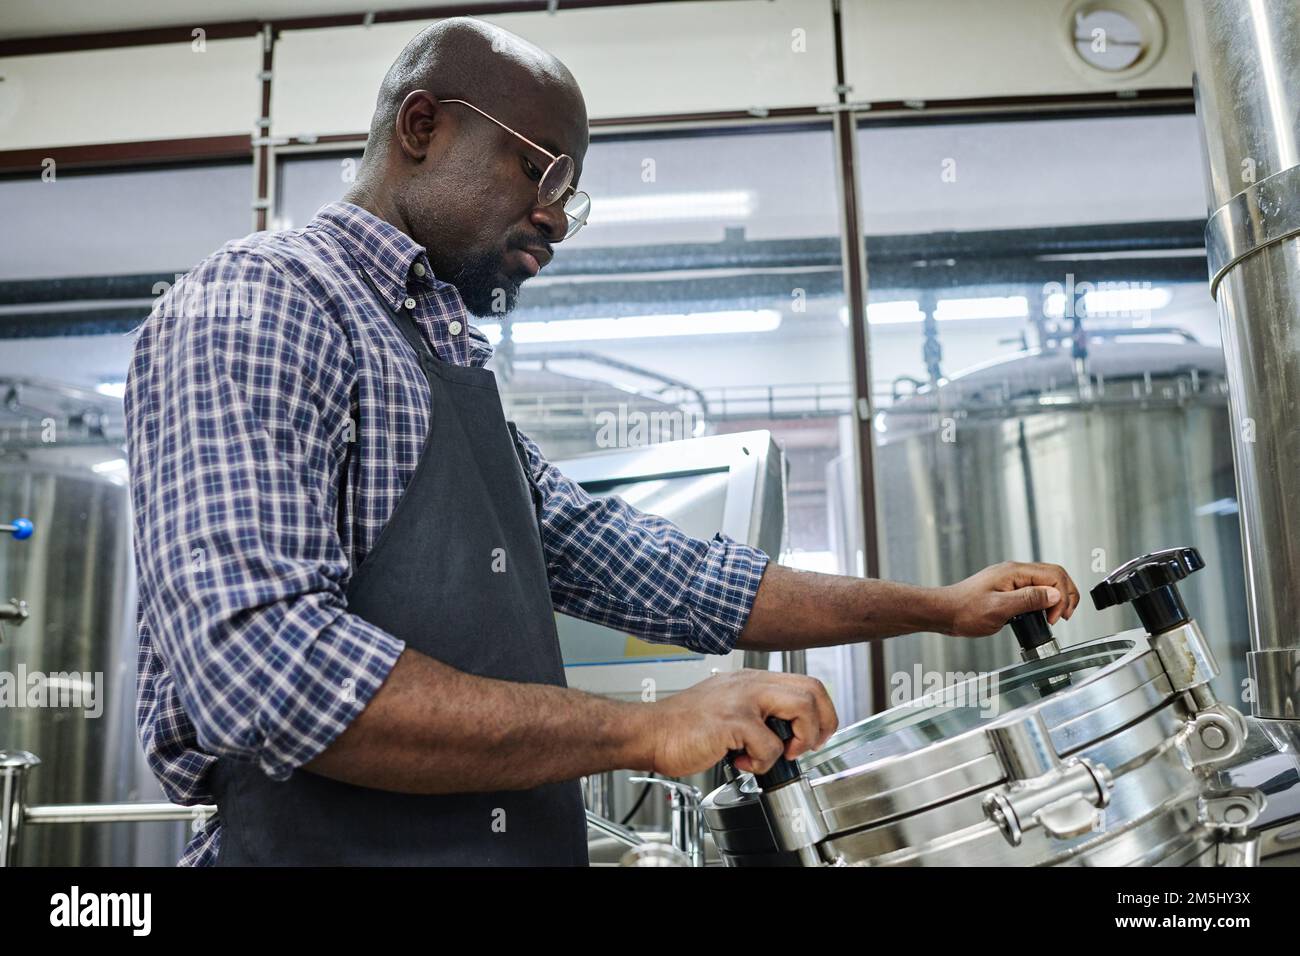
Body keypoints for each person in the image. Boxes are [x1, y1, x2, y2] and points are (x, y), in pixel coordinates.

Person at [124, 16, 1080, 865]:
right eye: (541, 170)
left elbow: (655, 570)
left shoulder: (436, 354)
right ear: (422, 128)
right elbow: (269, 671)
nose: (556, 217)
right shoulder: (261, 303)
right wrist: (646, 729)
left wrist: (936, 607)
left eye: (571, 194)